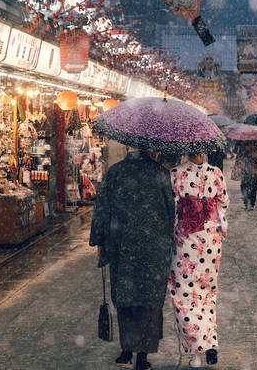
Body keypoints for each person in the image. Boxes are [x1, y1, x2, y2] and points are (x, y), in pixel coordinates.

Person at [89, 148, 175, 370]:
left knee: (126, 295)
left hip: (122, 244)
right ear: (152, 148)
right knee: (149, 298)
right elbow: (171, 211)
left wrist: (99, 239)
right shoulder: (161, 174)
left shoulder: (116, 172)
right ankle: (142, 357)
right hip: (154, 247)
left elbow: (102, 207)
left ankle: (126, 351)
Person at [168, 154, 229, 367]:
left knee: (184, 295)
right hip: (211, 242)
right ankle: (210, 342)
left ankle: (196, 354)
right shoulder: (216, 173)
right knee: (207, 294)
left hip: (186, 241)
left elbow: (172, 210)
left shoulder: (175, 174)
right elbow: (223, 205)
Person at [233, 141, 257, 210]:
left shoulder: (244, 144)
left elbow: (237, 154)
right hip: (249, 169)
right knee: (249, 185)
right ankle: (250, 203)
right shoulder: (255, 144)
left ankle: (249, 203)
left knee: (248, 185)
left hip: (250, 169)